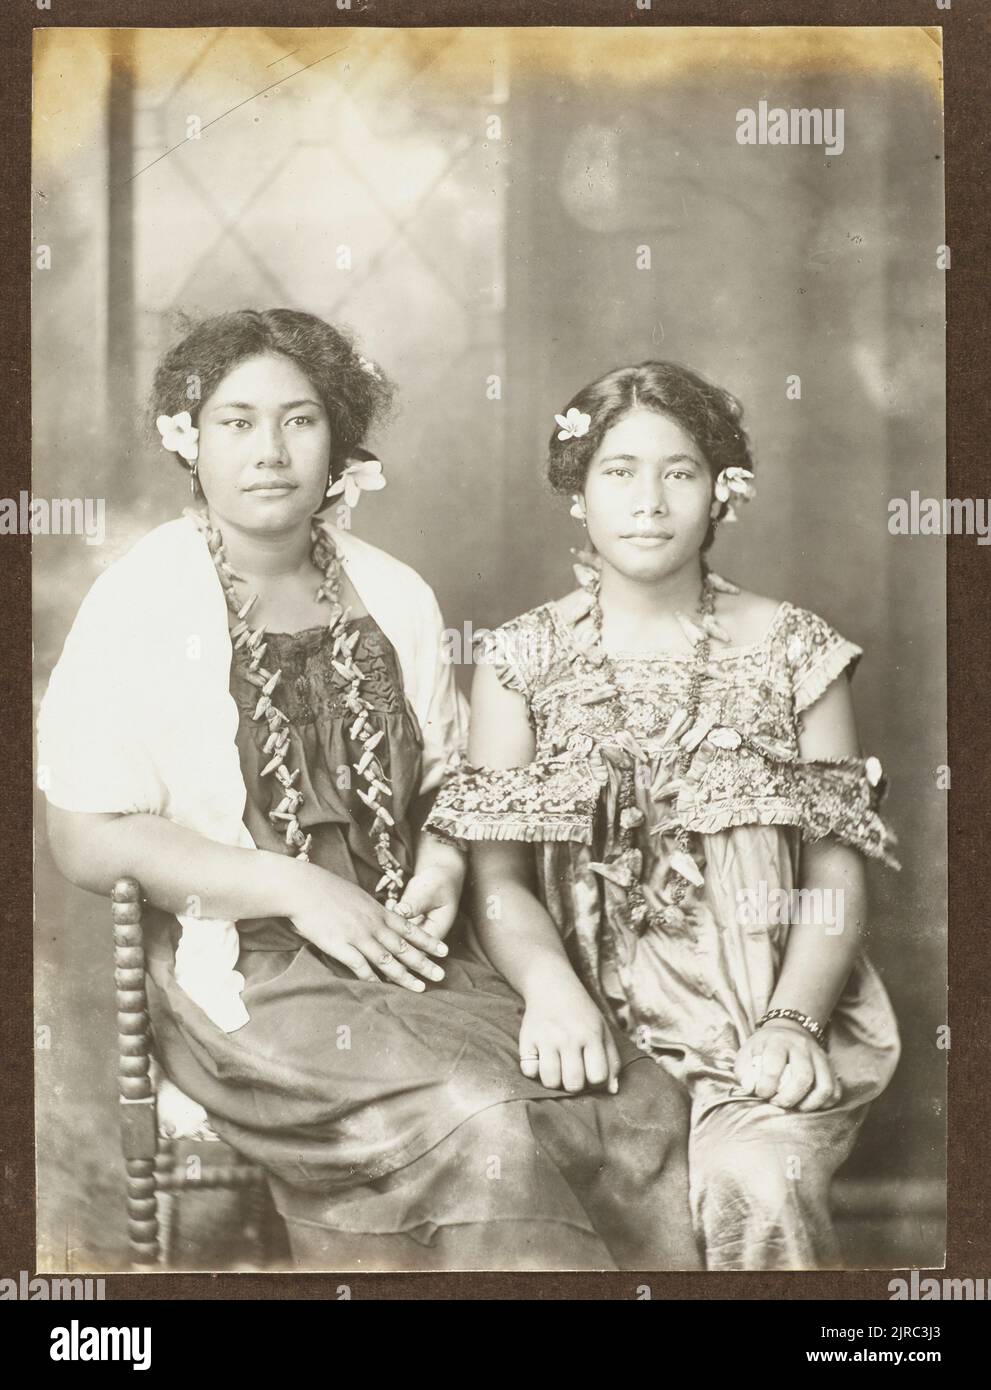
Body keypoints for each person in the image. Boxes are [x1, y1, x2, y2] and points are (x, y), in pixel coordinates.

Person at [37, 311, 702, 1272]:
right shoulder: (140, 599)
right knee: (483, 1127)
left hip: (420, 956)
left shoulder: (395, 594)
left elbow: (448, 788)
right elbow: (87, 839)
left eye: (300, 420)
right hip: (251, 977)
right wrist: (298, 887)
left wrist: (437, 857)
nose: (270, 451)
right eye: (236, 422)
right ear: (188, 439)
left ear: (339, 438)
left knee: (636, 1110)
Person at [427, 361, 901, 1271]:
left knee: (752, 1183)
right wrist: (553, 992)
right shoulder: (520, 658)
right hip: (580, 1021)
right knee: (514, 1171)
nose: (648, 501)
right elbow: (497, 877)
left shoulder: (794, 648)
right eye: (617, 472)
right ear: (577, 494)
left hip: (759, 1016)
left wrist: (792, 1022)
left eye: (679, 472)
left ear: (723, 490)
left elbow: (835, 871)